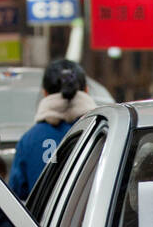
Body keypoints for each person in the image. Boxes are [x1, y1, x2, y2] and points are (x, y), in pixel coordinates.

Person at [8, 59, 99, 201]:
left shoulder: (28, 141)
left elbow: (18, 194)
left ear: (45, 93)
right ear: (86, 91)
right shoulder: (104, 132)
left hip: (40, 223)